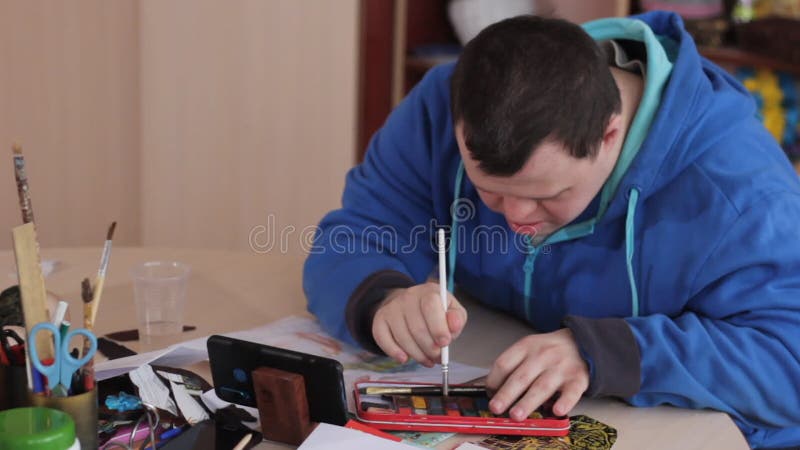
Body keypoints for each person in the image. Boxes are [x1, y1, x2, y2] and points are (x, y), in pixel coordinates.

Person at [303, 10, 800, 449]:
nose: (517, 217)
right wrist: (382, 298)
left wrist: (610, 352)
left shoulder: (741, 193)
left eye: (548, 195)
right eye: (489, 191)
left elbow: (787, 363)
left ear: (609, 135)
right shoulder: (444, 105)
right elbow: (360, 232)